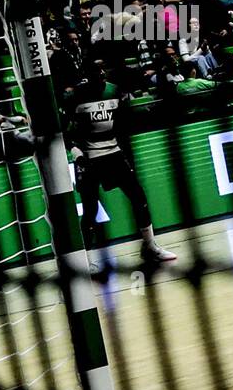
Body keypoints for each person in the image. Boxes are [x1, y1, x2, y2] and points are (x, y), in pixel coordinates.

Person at [65, 59, 177, 271]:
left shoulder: (114, 91)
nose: (101, 73)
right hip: (88, 158)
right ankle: (84, 259)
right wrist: (77, 154)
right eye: (95, 70)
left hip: (114, 154)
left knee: (138, 197)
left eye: (102, 68)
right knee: (90, 209)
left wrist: (126, 153)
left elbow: (123, 124)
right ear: (87, 75)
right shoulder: (75, 97)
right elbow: (65, 133)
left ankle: (149, 246)